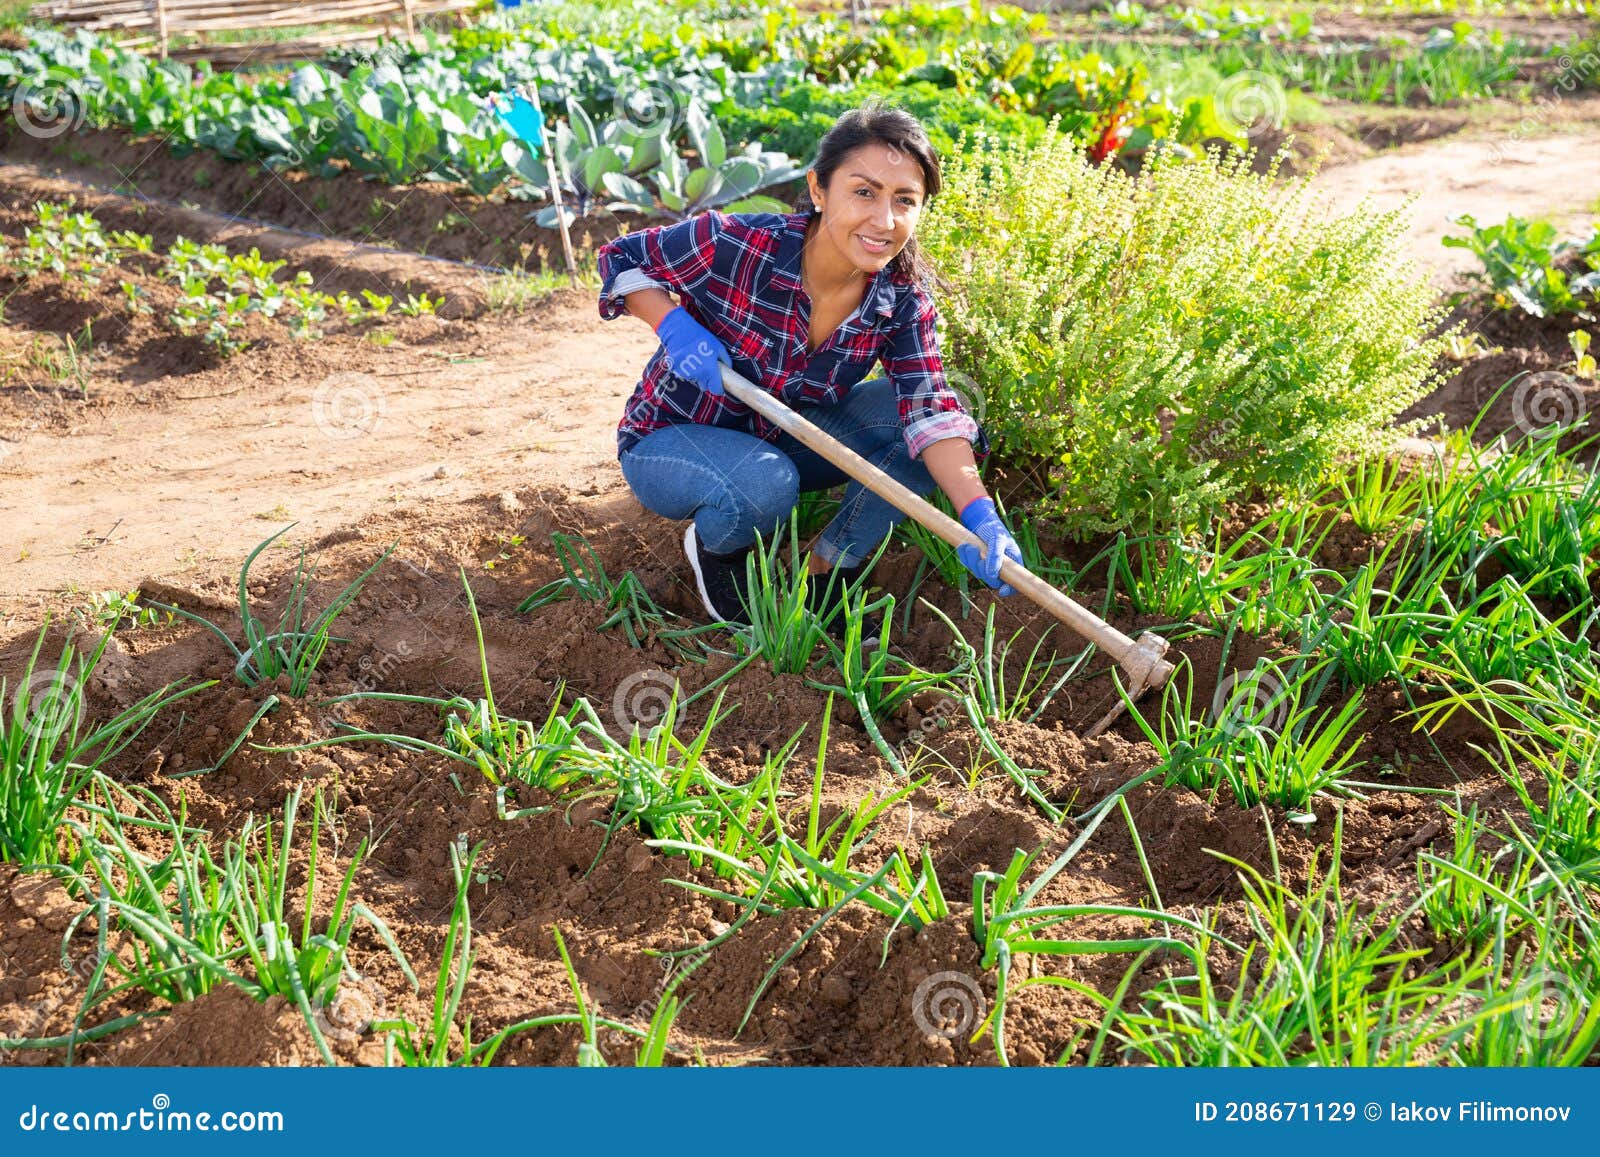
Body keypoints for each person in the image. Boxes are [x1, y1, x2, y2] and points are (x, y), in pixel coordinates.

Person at [595, 100, 1023, 634]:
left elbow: (930, 409)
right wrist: (671, 325)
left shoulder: (902, 301)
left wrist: (979, 515)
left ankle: (828, 570)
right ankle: (718, 553)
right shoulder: (738, 245)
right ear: (819, 190)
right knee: (762, 485)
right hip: (672, 440)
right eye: (863, 192)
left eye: (905, 200)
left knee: (912, 426)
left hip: (784, 439)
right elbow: (621, 257)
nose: (884, 220)